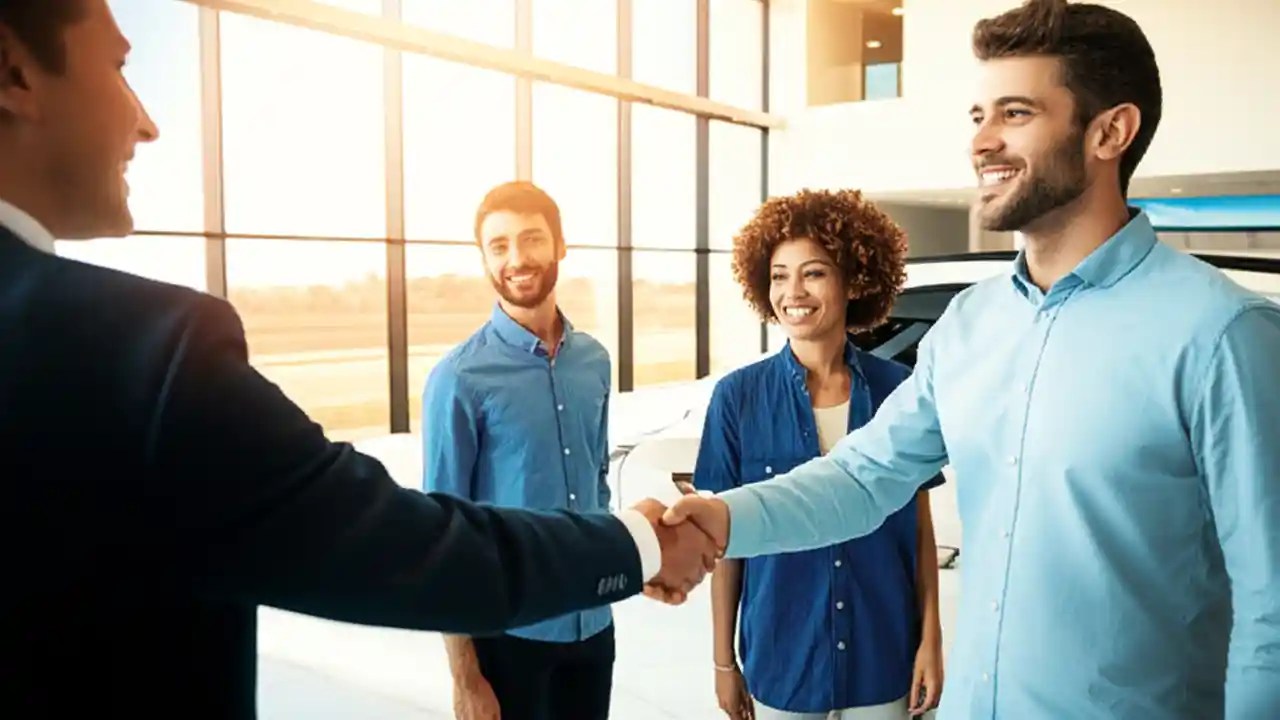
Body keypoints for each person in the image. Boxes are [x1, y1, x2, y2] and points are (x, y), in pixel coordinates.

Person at [0, 1, 717, 715]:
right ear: (14, 72)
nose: (146, 120)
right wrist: (634, 547)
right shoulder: (143, 349)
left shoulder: (593, 359)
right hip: (519, 625)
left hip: (590, 628)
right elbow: (403, 537)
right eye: (120, 67)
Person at [659, 1, 1280, 718]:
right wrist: (716, 518)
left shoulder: (1223, 334)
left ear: (1111, 131)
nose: (981, 142)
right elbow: (862, 479)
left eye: (1015, 113)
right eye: (977, 115)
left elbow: (1271, 619)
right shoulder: (971, 325)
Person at [696, 189, 945, 720]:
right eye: (780, 275)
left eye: (813, 273)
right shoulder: (737, 398)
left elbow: (919, 529)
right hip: (782, 655)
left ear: (853, 280)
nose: (793, 292)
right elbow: (724, 542)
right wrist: (724, 663)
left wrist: (931, 640)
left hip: (884, 652)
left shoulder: (899, 390)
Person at [422, 181, 621, 720]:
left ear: (560, 245)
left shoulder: (595, 362)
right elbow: (442, 534)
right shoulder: (460, 377)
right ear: (484, 259)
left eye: (532, 239)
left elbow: (597, 481)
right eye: (499, 245)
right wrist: (465, 676)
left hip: (592, 623)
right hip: (509, 637)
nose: (517, 259)